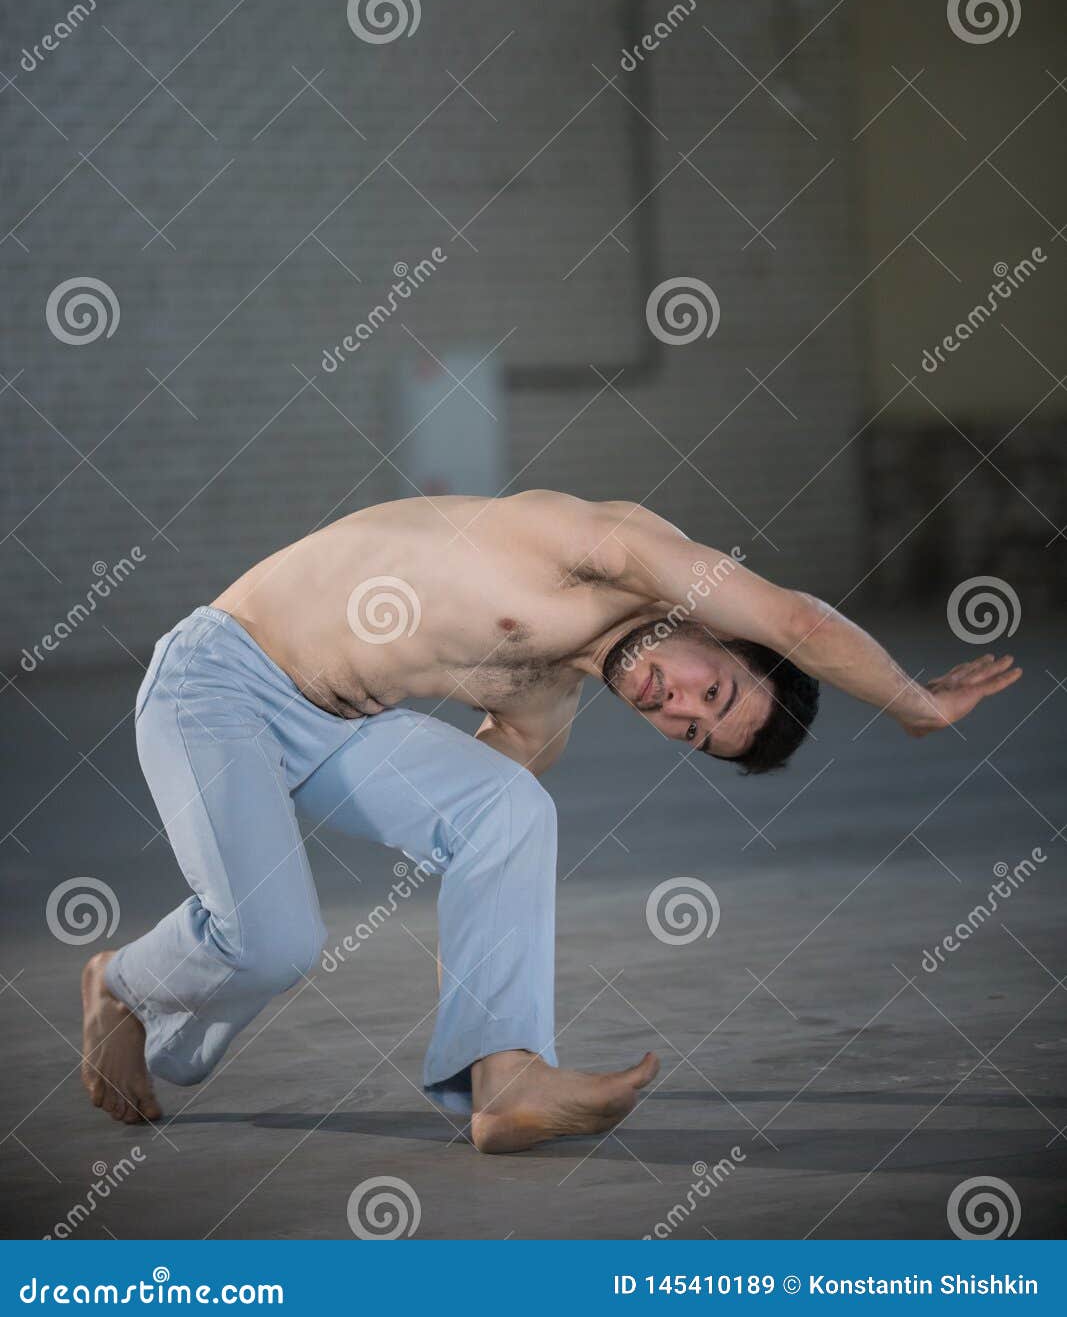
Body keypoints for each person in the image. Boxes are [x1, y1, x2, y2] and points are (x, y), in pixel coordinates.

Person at [81, 490, 1021, 1152]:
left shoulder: (541, 699)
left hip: (337, 725)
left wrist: (477, 999)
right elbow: (797, 622)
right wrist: (912, 703)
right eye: (711, 689)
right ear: (717, 630)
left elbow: (480, 859)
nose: (677, 707)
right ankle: (120, 984)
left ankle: (505, 1078)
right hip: (221, 677)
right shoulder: (604, 547)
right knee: (275, 944)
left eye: (694, 732)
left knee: (511, 806)